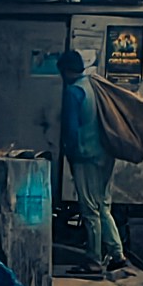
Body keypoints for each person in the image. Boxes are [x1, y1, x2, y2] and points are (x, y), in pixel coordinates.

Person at [58, 48, 119, 264]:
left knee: (90, 209)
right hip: (105, 154)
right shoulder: (94, 85)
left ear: (65, 71)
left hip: (86, 156)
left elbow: (70, 130)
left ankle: (94, 257)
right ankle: (116, 252)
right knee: (103, 206)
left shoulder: (74, 92)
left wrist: (71, 154)